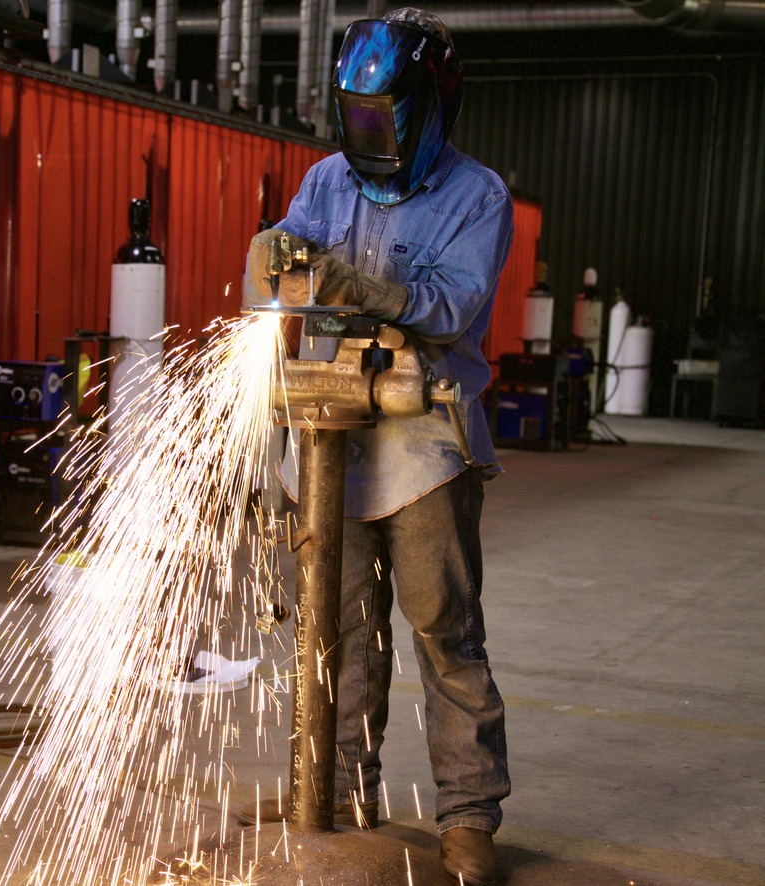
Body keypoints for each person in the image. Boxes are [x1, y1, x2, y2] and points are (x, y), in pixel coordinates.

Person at [241, 9, 512, 885]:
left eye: (383, 119)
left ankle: (468, 818)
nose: (369, 138)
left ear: (428, 107)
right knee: (339, 633)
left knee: (443, 632)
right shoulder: (325, 180)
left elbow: (450, 307)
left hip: (423, 440)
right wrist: (274, 257)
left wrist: (367, 286)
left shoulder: (479, 196)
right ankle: (342, 798)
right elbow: (286, 278)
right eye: (356, 118)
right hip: (329, 437)